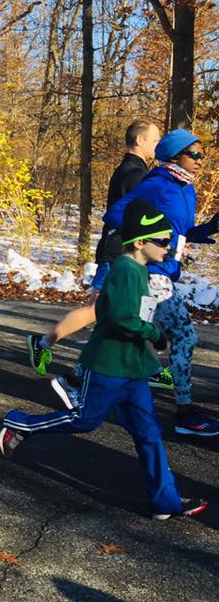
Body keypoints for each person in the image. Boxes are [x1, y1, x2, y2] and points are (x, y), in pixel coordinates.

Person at [0, 199, 207, 521]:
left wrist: (149, 340)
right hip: (108, 365)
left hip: (133, 368)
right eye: (164, 241)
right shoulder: (125, 271)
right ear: (140, 242)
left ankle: (165, 501)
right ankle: (22, 424)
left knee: (148, 433)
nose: (169, 248)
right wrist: (156, 334)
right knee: (86, 420)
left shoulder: (140, 270)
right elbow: (124, 319)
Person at [101, 129, 219, 437]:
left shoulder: (186, 188)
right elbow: (114, 215)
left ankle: (80, 385)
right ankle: (185, 411)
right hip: (153, 273)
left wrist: (210, 227)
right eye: (193, 154)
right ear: (174, 155)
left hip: (167, 271)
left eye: (201, 155)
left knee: (131, 335)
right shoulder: (156, 184)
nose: (199, 160)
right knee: (184, 336)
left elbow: (182, 231)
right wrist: (149, 242)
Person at [26, 120, 161, 377]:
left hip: (120, 251)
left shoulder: (132, 171)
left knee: (121, 311)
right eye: (154, 140)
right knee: (98, 310)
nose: (157, 145)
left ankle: (148, 369)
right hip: (118, 252)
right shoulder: (135, 175)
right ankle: (44, 344)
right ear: (139, 140)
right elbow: (140, 218)